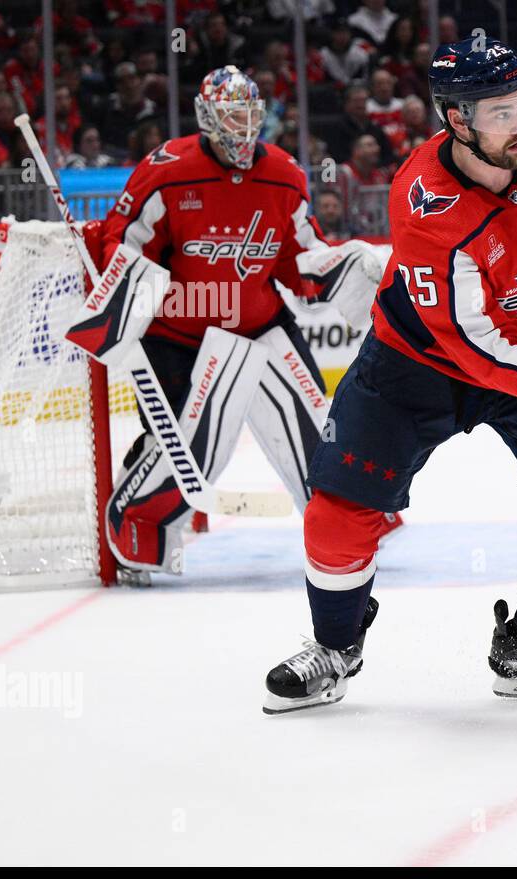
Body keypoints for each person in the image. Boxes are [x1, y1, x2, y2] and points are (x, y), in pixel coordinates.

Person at [262, 40, 517, 713]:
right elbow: (478, 350)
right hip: (415, 365)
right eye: (502, 113)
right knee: (338, 512)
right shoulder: (426, 209)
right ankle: (335, 647)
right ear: (457, 120)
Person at [75, 66, 383, 579]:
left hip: (262, 324)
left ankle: (346, 523)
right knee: (180, 447)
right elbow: (124, 239)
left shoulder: (284, 172)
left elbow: (300, 255)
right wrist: (126, 292)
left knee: (315, 428)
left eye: (249, 116)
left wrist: (344, 266)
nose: (242, 129)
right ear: (207, 118)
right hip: (177, 334)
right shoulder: (167, 168)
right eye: (231, 116)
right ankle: (138, 525)